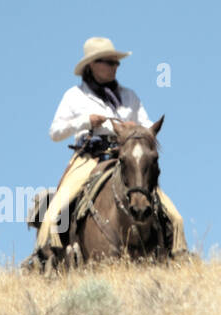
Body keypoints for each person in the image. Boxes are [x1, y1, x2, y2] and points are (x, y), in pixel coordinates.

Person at [27, 36, 186, 267]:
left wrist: (137, 129)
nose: (115, 67)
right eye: (109, 62)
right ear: (92, 65)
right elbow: (55, 132)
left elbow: (149, 126)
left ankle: (178, 256)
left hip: (128, 159)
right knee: (55, 211)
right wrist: (85, 121)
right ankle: (45, 259)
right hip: (89, 158)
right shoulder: (74, 96)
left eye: (116, 63)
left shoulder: (129, 96)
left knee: (176, 216)